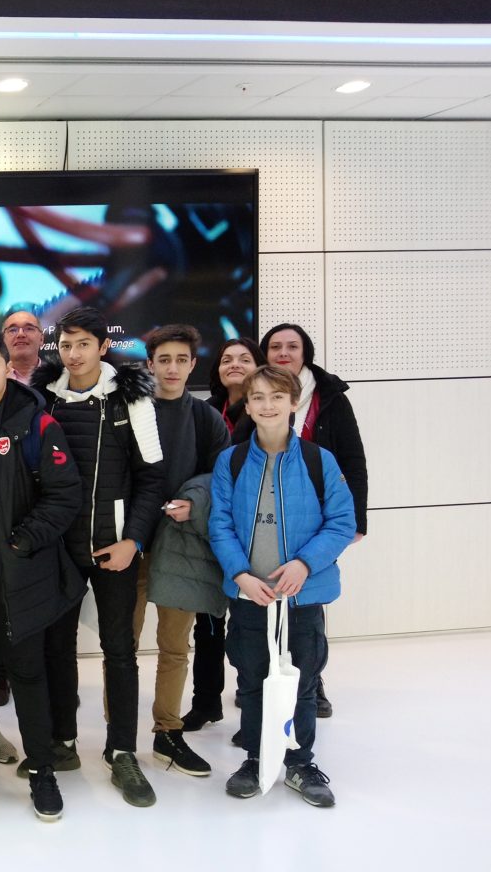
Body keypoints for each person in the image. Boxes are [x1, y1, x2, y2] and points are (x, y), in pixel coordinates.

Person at [33, 306, 165, 808]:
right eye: (66, 345)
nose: (73, 354)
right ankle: (62, 741)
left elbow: (152, 478)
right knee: (57, 648)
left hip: (115, 548)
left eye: (83, 344)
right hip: (59, 550)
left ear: (103, 346)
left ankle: (122, 751)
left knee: (120, 650)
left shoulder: (132, 397)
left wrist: (134, 541)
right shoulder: (45, 396)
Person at [0, 327, 83, 820]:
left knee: (28, 672)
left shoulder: (37, 425)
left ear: (8, 367)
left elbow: (65, 495)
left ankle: (43, 769)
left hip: (23, 572)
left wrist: (23, 539)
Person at [208, 365, 355, 808]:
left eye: (277, 396)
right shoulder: (231, 461)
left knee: (302, 682)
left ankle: (299, 763)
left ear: (294, 403)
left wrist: (305, 564)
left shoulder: (318, 460)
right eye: (258, 397)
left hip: (301, 597)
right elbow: (219, 524)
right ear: (247, 406)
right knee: (253, 680)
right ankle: (256, 759)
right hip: (251, 595)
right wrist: (241, 574)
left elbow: (342, 522)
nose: (267, 405)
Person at [133, 324, 230, 779]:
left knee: (174, 646)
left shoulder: (206, 419)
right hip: (132, 542)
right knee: (122, 646)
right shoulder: (130, 410)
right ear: (150, 364)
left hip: (182, 546)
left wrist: (196, 502)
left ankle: (167, 732)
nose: (172, 368)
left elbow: (223, 478)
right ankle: (118, 737)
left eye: (181, 360)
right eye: (164, 359)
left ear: (193, 364)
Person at [259, 322, 368, 719]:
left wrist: (356, 519)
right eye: (275, 347)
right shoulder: (256, 395)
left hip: (318, 516)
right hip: (267, 514)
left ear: (305, 352)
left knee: (307, 601)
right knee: (265, 598)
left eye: (292, 346)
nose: (283, 353)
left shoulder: (330, 397)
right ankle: (265, 679)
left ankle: (311, 682)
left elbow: (353, 458)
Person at [183, 338, 259, 731]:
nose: (235, 364)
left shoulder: (267, 411)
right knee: (209, 624)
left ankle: (254, 703)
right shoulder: (205, 411)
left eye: (245, 358)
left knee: (249, 625)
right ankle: (206, 702)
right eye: (227, 358)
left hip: (255, 531)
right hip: (210, 528)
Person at [1, 305, 46, 383]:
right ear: (3, 339)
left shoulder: (60, 378)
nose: (20, 334)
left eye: (29, 329)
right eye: (13, 330)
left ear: (41, 339)